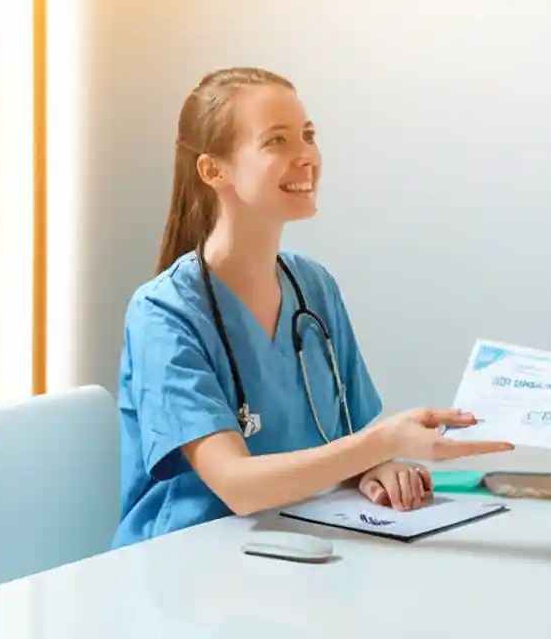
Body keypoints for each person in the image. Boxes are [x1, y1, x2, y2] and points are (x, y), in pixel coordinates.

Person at [113, 67, 514, 548]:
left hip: (298, 544)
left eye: (307, 135)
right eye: (277, 141)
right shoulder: (164, 313)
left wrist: (376, 470)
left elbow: (340, 441)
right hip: (186, 565)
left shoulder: (314, 289)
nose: (306, 156)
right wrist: (381, 444)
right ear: (213, 170)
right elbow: (238, 486)